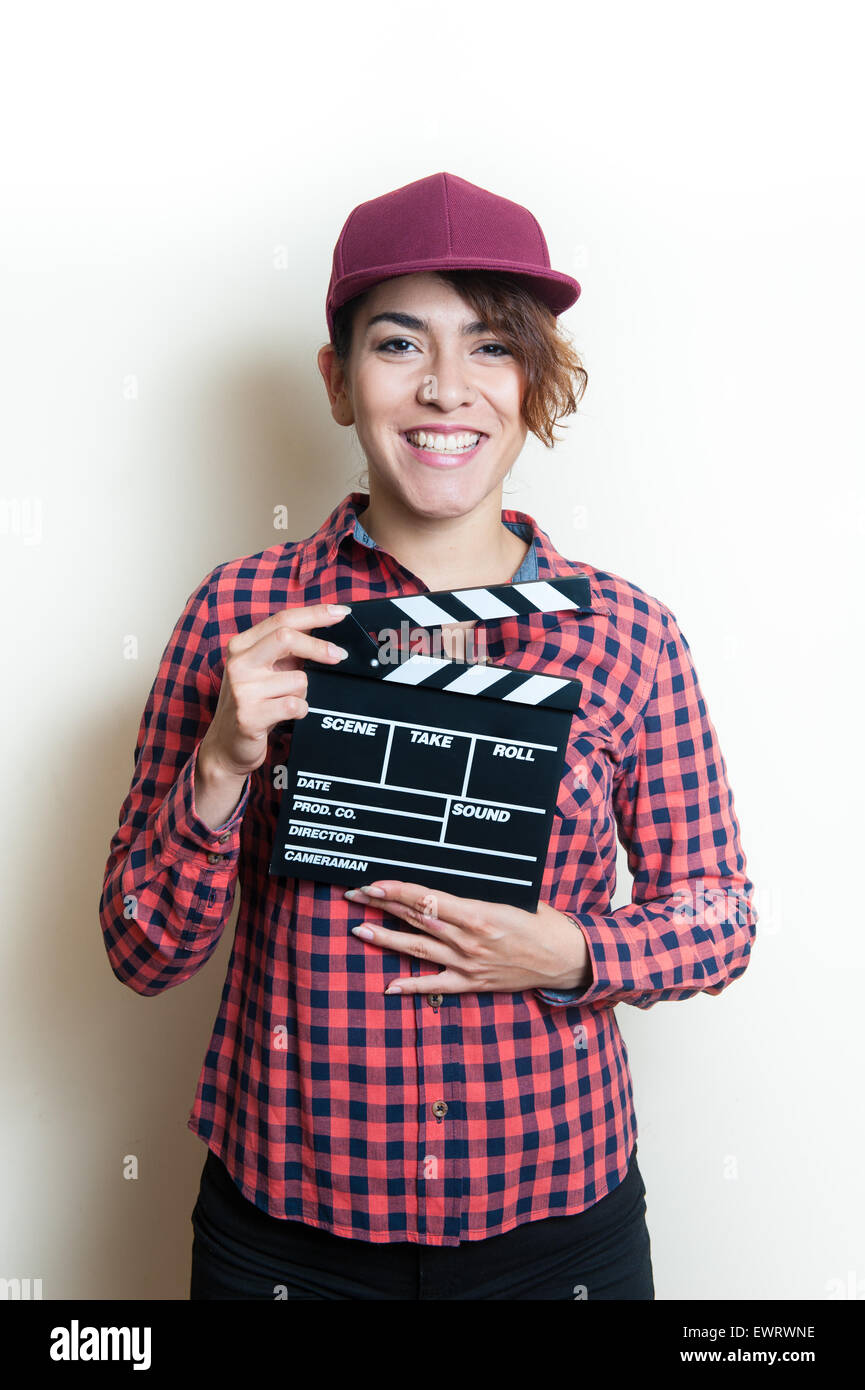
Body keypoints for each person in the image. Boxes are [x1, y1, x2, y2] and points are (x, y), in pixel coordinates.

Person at [99, 171, 757, 1300]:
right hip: (289, 1232)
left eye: (492, 347)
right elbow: (141, 950)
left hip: (554, 1224)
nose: (446, 388)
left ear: (532, 379)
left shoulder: (626, 633)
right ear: (339, 381)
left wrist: (575, 952)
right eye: (399, 344)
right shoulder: (239, 614)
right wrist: (219, 768)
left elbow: (720, 913)